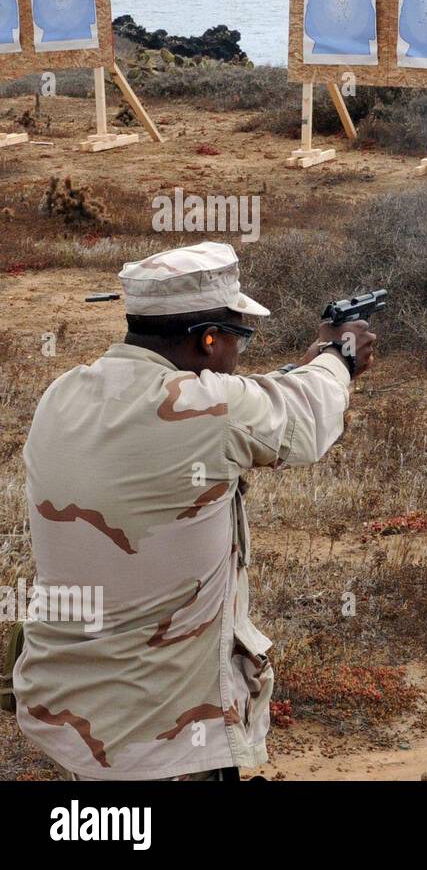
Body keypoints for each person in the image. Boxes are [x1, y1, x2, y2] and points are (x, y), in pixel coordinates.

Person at [10, 242, 376, 780]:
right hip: (168, 734)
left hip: (69, 708)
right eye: (237, 339)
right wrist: (337, 357)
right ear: (208, 340)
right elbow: (307, 418)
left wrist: (289, 373)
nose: (238, 356)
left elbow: (221, 405)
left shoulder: (62, 393)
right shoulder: (214, 410)